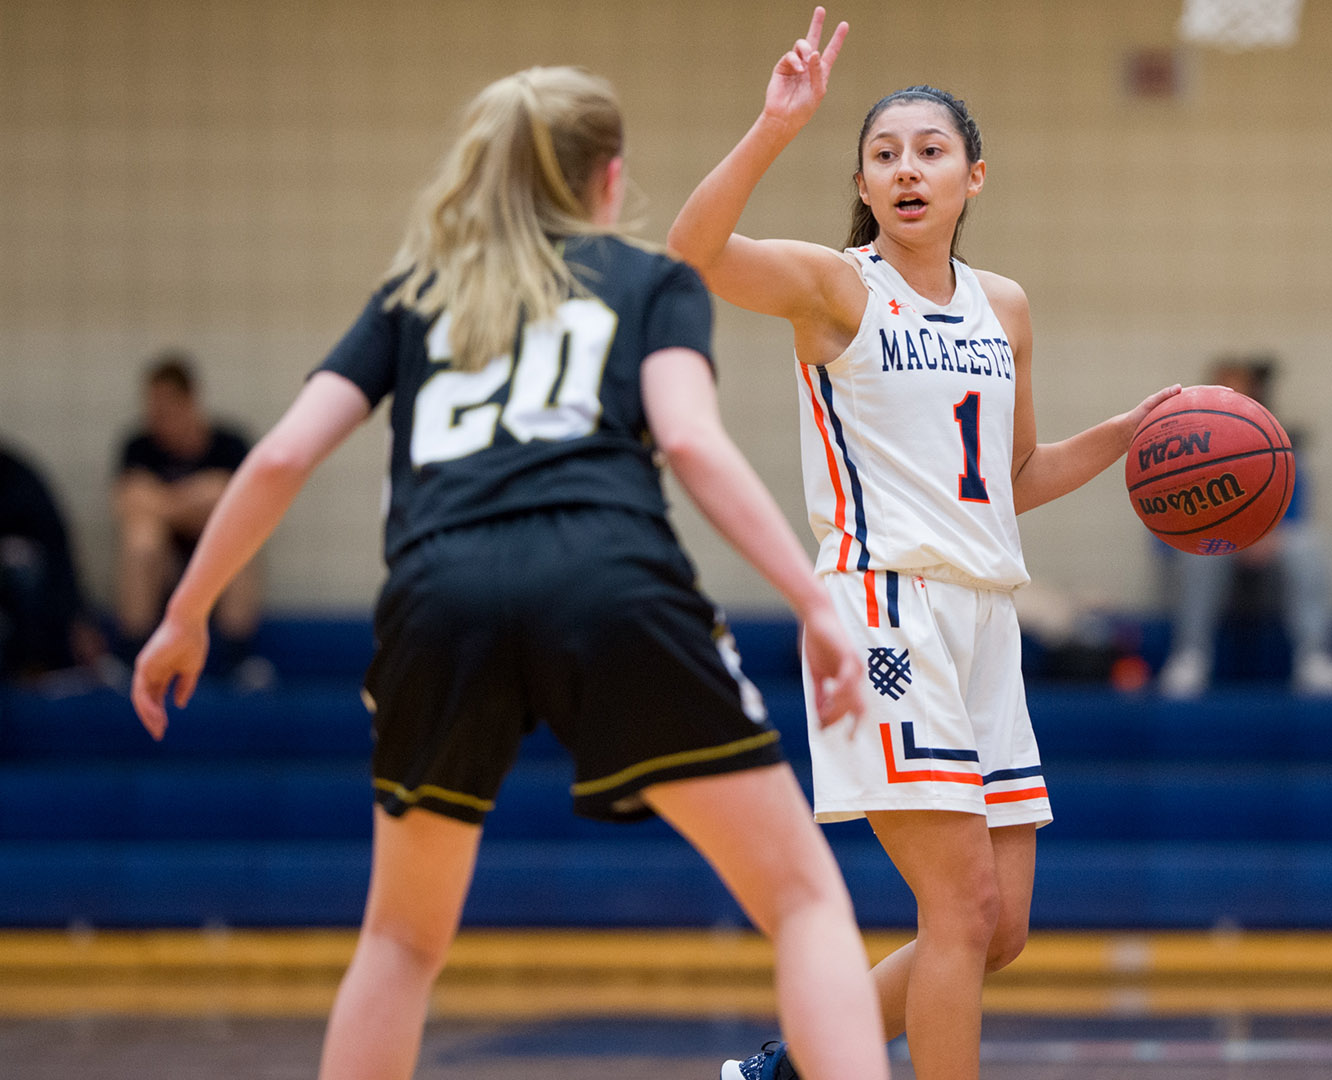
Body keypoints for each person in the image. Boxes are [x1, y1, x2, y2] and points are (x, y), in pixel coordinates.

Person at [131, 66, 888, 1080]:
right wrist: (810, 602)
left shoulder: (416, 294)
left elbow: (278, 458)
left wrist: (184, 614)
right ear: (609, 180)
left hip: (438, 593)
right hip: (608, 578)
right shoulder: (649, 281)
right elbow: (693, 445)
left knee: (400, 941)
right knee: (802, 902)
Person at [667, 11, 1179, 1080]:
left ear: (972, 178)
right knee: (960, 911)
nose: (907, 169)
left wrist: (1130, 432)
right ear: (863, 183)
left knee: (1001, 930)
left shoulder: (1005, 308)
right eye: (885, 155)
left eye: (931, 151)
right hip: (883, 606)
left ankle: (789, 1068)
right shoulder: (837, 287)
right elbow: (693, 255)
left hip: (986, 616)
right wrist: (774, 128)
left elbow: (1014, 480)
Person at [1157, 354, 1332, 699]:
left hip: (1266, 557)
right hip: (1211, 550)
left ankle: (1314, 658)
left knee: (1311, 545)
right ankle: (1190, 657)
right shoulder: (1178, 450)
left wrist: (1258, 538)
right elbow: (1165, 524)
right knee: (1196, 552)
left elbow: (1295, 516)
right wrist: (1225, 538)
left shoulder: (1279, 448)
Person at [114, 353, 267, 680]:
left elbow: (241, 503)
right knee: (142, 539)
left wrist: (163, 504)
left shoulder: (228, 444)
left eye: (166, 407)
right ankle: (132, 660)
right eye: (153, 407)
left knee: (240, 544)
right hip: (165, 567)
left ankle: (237, 662)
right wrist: (197, 503)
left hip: (215, 566)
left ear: (190, 401)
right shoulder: (138, 446)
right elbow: (129, 501)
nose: (158, 416)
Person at [0, 439, 102, 681]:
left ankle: (31, 666)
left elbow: (57, 549)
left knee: (20, 562)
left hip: (23, 602)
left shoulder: (16, 476)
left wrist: (77, 615)